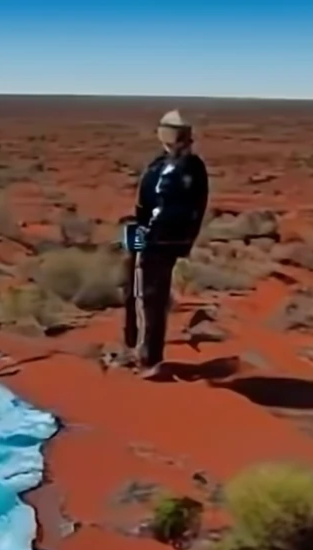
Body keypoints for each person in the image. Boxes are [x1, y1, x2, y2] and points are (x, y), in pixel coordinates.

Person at [123, 110, 209, 380]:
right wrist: (136, 234)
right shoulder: (161, 163)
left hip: (162, 241)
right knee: (134, 292)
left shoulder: (189, 168)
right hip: (147, 237)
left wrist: (165, 236)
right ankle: (135, 349)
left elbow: (183, 207)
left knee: (152, 297)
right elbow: (146, 202)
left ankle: (150, 359)